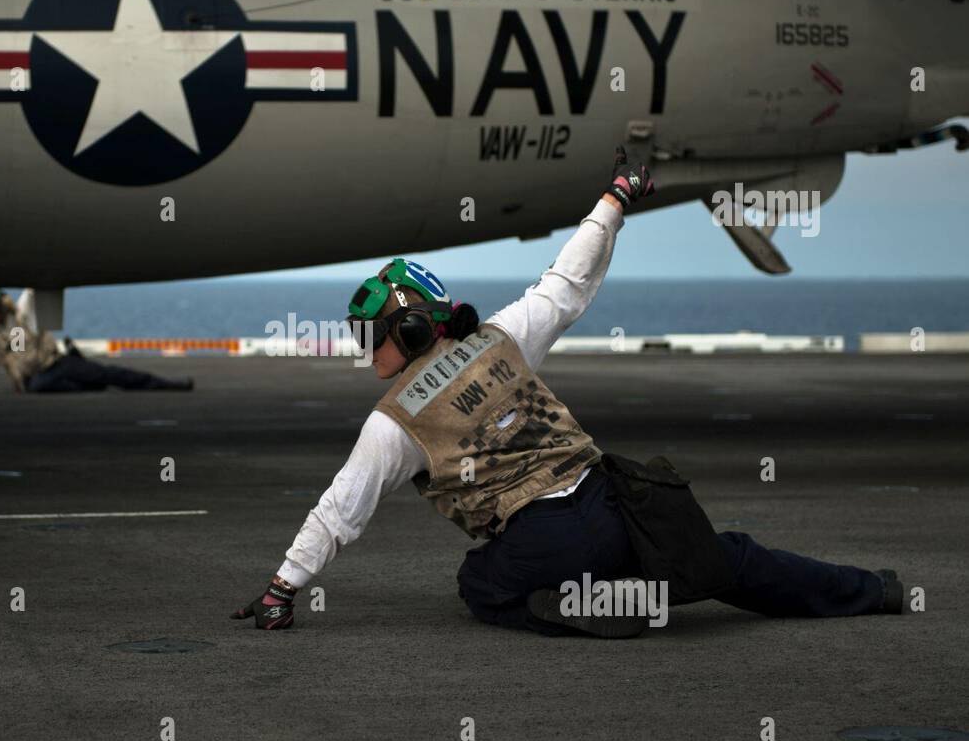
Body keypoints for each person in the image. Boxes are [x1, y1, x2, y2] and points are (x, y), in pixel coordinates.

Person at [231, 147, 905, 634]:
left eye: (369, 332)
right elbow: (568, 282)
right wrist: (615, 197)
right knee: (733, 557)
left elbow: (340, 511)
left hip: (543, 538)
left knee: (478, 586)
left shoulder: (395, 421)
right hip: (616, 500)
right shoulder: (501, 337)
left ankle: (596, 602)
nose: (363, 346)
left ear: (407, 329)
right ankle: (874, 590)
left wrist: (281, 589)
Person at [0, 288, 193, 393]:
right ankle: (87, 383)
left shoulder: (21, 315)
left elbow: (32, 292)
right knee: (39, 386)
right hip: (36, 379)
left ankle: (165, 384)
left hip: (55, 364)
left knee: (107, 374)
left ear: (1, 307)